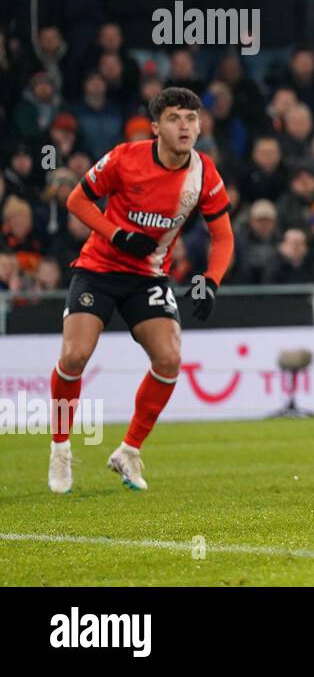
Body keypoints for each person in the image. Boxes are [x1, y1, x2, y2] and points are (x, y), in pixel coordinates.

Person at [48, 86, 234, 494]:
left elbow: (222, 237)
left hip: (148, 277)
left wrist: (211, 282)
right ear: (155, 127)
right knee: (75, 354)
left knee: (169, 359)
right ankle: (60, 447)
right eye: (174, 118)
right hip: (99, 268)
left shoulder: (204, 173)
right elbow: (77, 201)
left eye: (191, 118)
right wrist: (116, 235)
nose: (184, 126)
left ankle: (128, 451)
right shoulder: (124, 158)